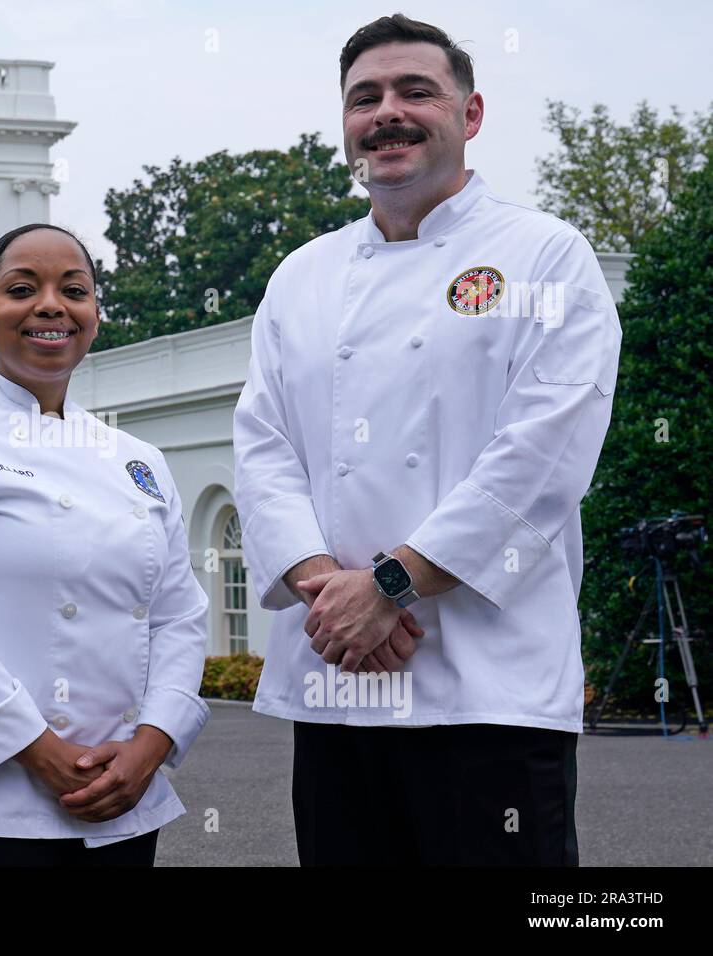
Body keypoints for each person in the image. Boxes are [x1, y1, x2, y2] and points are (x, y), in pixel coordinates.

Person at [232, 14, 621, 866]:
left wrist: (393, 585)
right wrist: (323, 587)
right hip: (338, 682)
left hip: (490, 691)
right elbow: (262, 450)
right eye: (364, 98)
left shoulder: (546, 255)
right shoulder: (300, 276)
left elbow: (545, 454)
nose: (388, 113)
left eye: (416, 91)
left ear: (471, 114)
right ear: (345, 125)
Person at [0, 223, 211, 867]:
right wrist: (37, 749)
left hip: (118, 795)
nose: (51, 304)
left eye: (73, 290)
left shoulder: (139, 461)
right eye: (23, 289)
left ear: (95, 317)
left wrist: (153, 744)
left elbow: (180, 616)